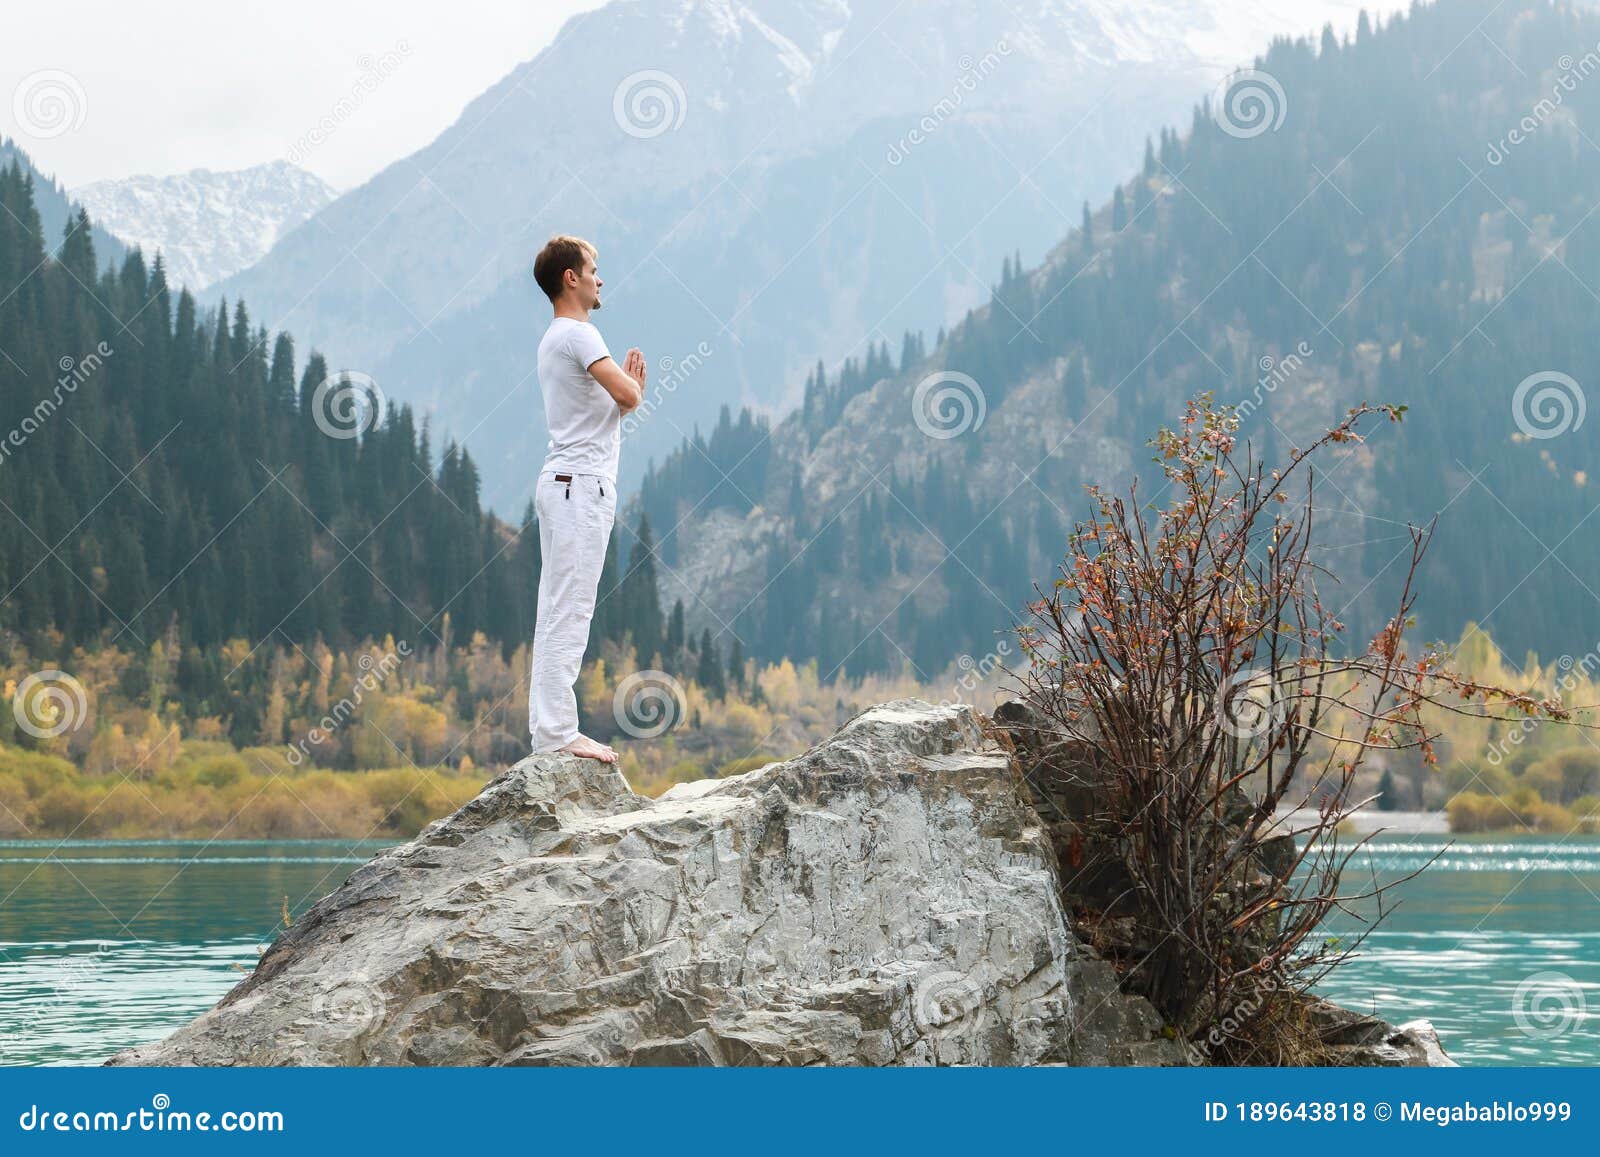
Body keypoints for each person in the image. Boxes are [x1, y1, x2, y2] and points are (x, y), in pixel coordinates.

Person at [527, 235, 646, 763]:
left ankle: (548, 732)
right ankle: (558, 734)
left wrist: (624, 401)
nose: (601, 279)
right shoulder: (579, 334)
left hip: (566, 483)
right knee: (571, 610)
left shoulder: (556, 339)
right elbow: (625, 395)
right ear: (570, 278)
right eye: (594, 270)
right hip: (580, 488)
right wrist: (632, 391)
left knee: (555, 610)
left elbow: (599, 414)